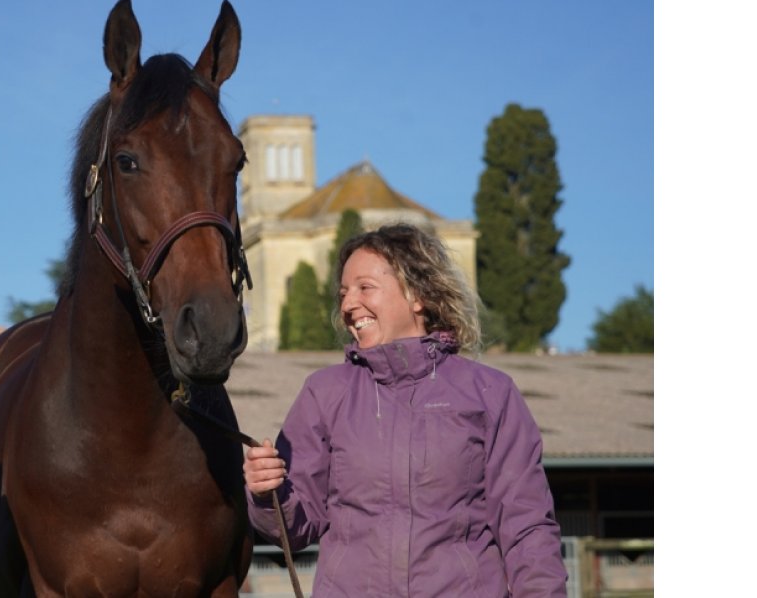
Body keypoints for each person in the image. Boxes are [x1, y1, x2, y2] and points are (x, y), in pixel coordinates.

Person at [243, 223, 567, 596]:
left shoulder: (490, 393)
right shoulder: (324, 393)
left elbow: (527, 527)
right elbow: (294, 530)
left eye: (365, 288)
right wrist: (267, 493)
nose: (348, 305)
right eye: (344, 293)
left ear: (417, 295)